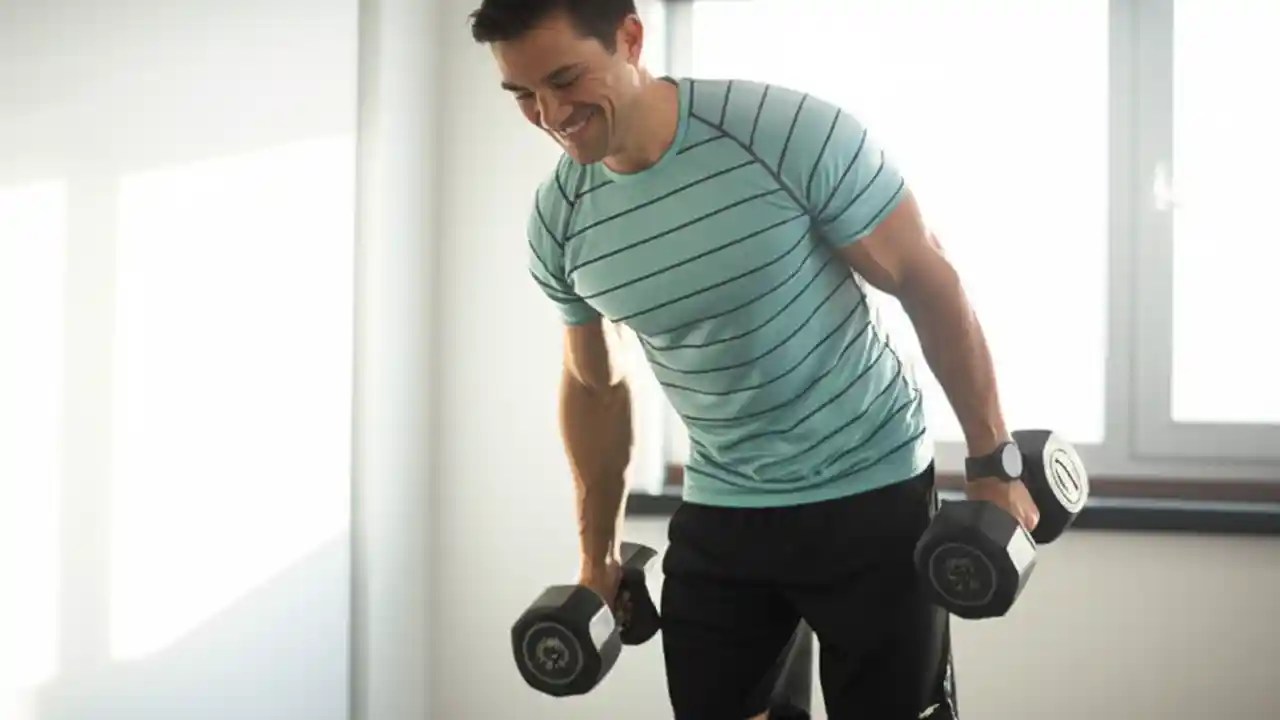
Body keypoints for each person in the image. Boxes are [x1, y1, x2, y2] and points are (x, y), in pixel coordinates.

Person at [468, 1, 1041, 718]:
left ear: (631, 38)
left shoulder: (784, 134)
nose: (550, 112)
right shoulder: (562, 217)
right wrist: (597, 558)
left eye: (565, 78)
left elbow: (926, 279)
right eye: (523, 94)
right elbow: (596, 386)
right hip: (726, 509)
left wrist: (993, 463)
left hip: (871, 494)